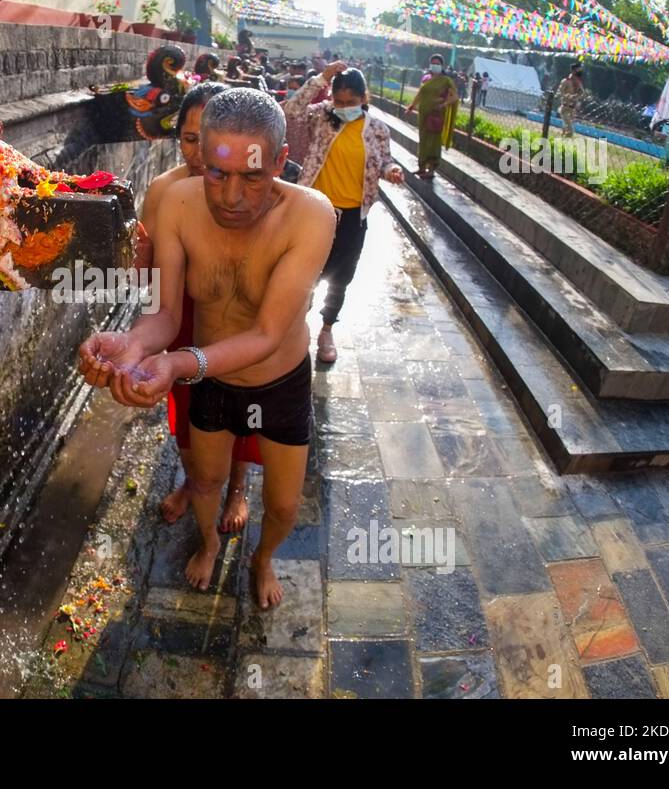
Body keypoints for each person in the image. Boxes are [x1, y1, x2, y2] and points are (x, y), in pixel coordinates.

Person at [78, 88, 336, 609]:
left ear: (281, 162)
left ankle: (262, 559)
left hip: (280, 380)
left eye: (253, 177)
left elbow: (267, 334)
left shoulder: (312, 215)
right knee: (204, 478)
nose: (232, 197)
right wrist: (132, 343)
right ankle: (211, 540)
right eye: (218, 174)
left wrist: (176, 362)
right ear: (198, 157)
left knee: (285, 504)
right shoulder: (175, 203)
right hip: (212, 378)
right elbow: (167, 315)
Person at [133, 81, 261, 533]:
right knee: (188, 406)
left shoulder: (247, 190)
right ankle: (196, 481)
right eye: (191, 140)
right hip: (180, 315)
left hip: (236, 315)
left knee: (242, 402)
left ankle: (239, 486)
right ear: (180, 139)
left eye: (212, 142)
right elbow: (146, 276)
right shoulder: (164, 191)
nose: (203, 155)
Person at [285, 63, 405, 363]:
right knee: (306, 269)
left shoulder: (376, 129)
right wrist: (322, 78)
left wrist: (391, 170)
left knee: (341, 275)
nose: (343, 107)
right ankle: (296, 327)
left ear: (365, 98)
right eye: (339, 101)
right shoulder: (322, 117)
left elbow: (384, 160)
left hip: (353, 215)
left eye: (350, 103)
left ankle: (326, 329)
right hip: (315, 208)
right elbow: (291, 110)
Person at [406, 54, 459, 178]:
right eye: (433, 63)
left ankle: (432, 168)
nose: (435, 65)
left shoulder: (446, 80)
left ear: (442, 65)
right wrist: (412, 106)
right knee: (423, 139)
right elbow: (420, 94)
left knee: (434, 141)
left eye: (437, 63)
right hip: (423, 113)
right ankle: (422, 167)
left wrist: (443, 104)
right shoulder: (426, 78)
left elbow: (455, 97)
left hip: (436, 114)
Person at [558, 64, 584, 138]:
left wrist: (576, 97)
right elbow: (560, 92)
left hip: (572, 109)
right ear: (573, 70)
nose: (580, 71)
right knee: (570, 130)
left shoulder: (578, 82)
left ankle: (562, 141)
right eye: (578, 69)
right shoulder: (566, 81)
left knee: (565, 128)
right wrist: (567, 96)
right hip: (565, 107)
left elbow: (582, 93)